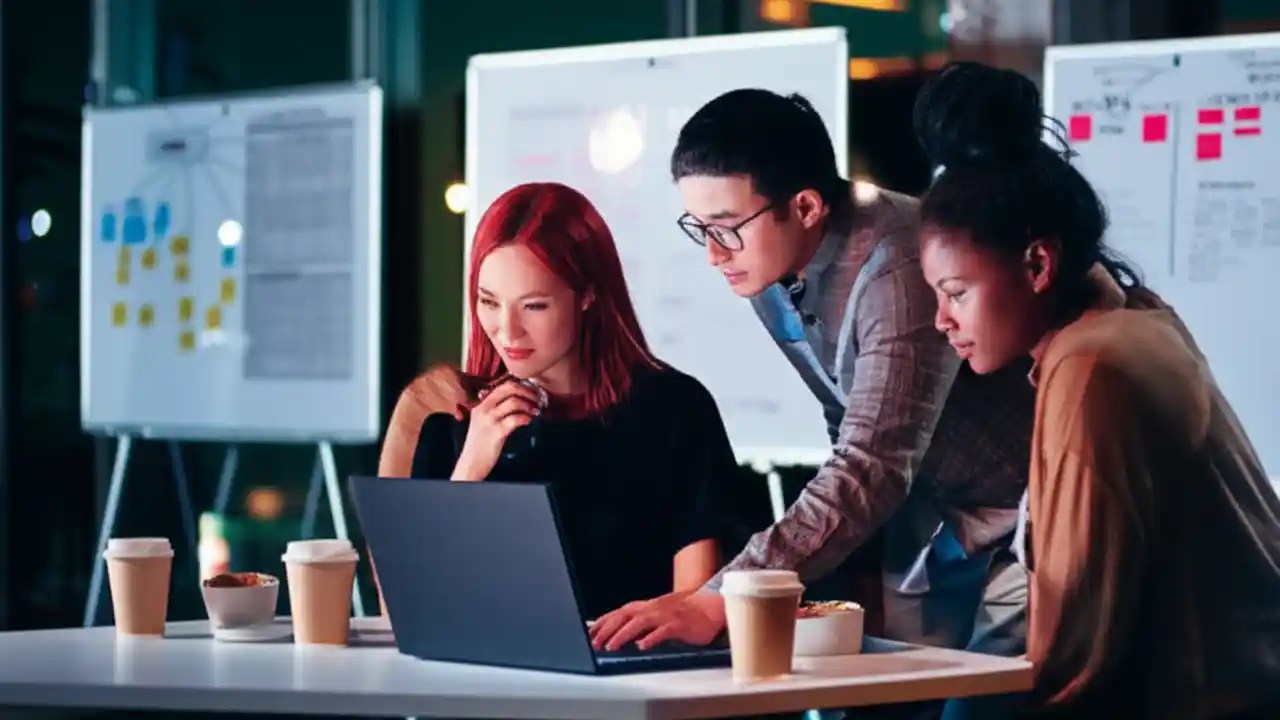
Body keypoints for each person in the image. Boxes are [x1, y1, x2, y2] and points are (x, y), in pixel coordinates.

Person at [590, 87, 1036, 697]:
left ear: (804, 206)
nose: (714, 255)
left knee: (979, 709)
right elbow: (847, 420)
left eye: (727, 228)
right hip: (937, 529)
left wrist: (725, 596)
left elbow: (872, 464)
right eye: (700, 229)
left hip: (1026, 524)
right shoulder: (768, 269)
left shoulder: (897, 265)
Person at [914, 61, 1280, 718]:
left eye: (955, 293)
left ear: (1037, 264)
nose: (943, 321)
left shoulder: (1090, 369)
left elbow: (1076, 656)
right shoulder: (1137, 318)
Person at [404, 181, 741, 621]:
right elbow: (423, 608)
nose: (507, 331)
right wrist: (469, 471)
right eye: (489, 302)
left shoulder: (675, 411)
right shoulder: (452, 429)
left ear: (587, 295)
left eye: (534, 306)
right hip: (490, 682)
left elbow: (696, 603)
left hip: (640, 675)